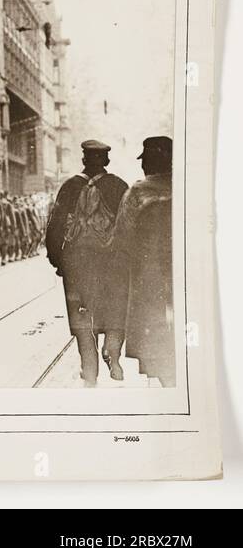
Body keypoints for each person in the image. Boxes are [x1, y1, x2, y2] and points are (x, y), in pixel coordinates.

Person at [46, 139, 131, 385]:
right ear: (106, 161)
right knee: (115, 308)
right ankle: (112, 351)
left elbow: (54, 227)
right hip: (111, 261)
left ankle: (89, 366)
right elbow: (128, 224)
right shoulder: (118, 186)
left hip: (77, 262)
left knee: (80, 313)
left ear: (83, 160)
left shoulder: (70, 187)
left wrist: (58, 260)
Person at [112, 137, 175, 386]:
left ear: (147, 163)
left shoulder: (136, 193)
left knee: (157, 348)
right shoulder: (188, 188)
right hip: (187, 280)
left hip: (151, 283)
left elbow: (121, 241)